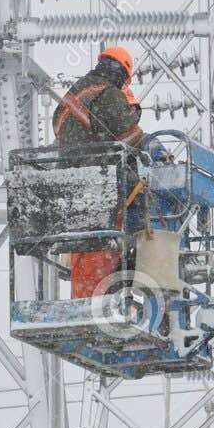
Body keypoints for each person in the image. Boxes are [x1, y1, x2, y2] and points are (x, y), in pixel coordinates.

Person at [54, 47, 144, 297]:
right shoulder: (108, 93)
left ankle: (92, 294)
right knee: (142, 201)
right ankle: (136, 257)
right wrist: (152, 149)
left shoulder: (75, 94)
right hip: (100, 181)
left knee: (84, 250)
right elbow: (131, 137)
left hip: (71, 186)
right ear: (123, 75)